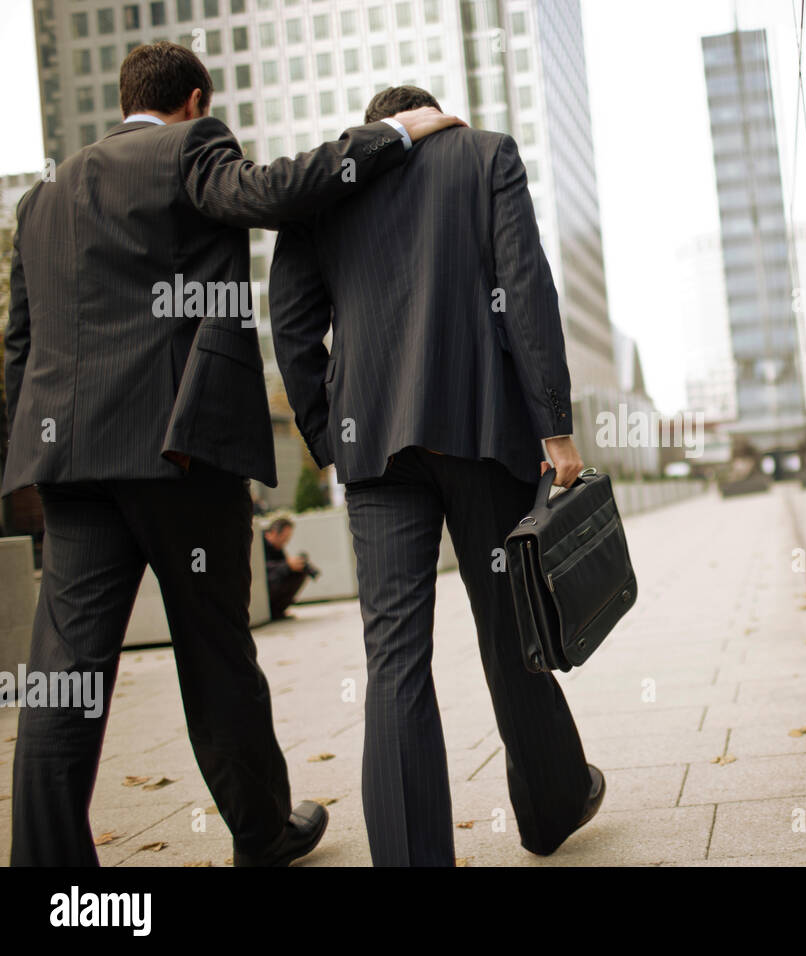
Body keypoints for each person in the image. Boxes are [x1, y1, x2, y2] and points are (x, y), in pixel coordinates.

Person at [2, 43, 464, 866]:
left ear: (122, 98)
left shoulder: (42, 200)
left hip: (70, 464)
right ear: (194, 97)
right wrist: (393, 133)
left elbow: (21, 347)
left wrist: (28, 459)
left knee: (62, 679)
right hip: (181, 447)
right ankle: (262, 832)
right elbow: (274, 191)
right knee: (216, 654)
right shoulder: (190, 146)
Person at [270, 86, 603, 866]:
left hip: (374, 450)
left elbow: (289, 325)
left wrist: (331, 434)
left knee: (393, 656)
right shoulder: (486, 155)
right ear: (438, 114)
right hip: (481, 431)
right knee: (508, 626)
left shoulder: (326, 185)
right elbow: (527, 294)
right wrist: (555, 428)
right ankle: (552, 807)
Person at [263, 517, 311, 620]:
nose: (286, 541)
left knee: (299, 573)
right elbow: (263, 570)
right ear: (274, 533)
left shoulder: (277, 547)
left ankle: (277, 611)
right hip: (262, 587)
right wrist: (287, 565)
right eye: (284, 537)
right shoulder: (259, 544)